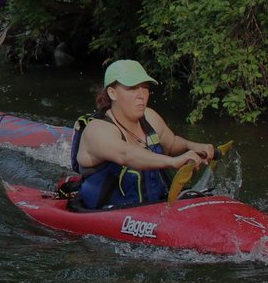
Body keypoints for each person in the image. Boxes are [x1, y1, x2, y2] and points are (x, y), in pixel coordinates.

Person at [68, 60, 215, 210]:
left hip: (154, 207)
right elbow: (127, 154)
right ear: (112, 93)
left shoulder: (150, 117)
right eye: (132, 88)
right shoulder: (97, 130)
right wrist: (173, 162)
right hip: (105, 212)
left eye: (145, 88)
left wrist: (193, 146)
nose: (142, 95)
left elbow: (171, 144)